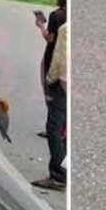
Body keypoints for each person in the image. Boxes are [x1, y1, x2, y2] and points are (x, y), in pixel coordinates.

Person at [32, 21, 68, 191]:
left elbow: (60, 61)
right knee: (65, 130)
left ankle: (59, 176)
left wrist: (50, 81)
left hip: (63, 85)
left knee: (55, 129)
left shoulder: (66, 29)